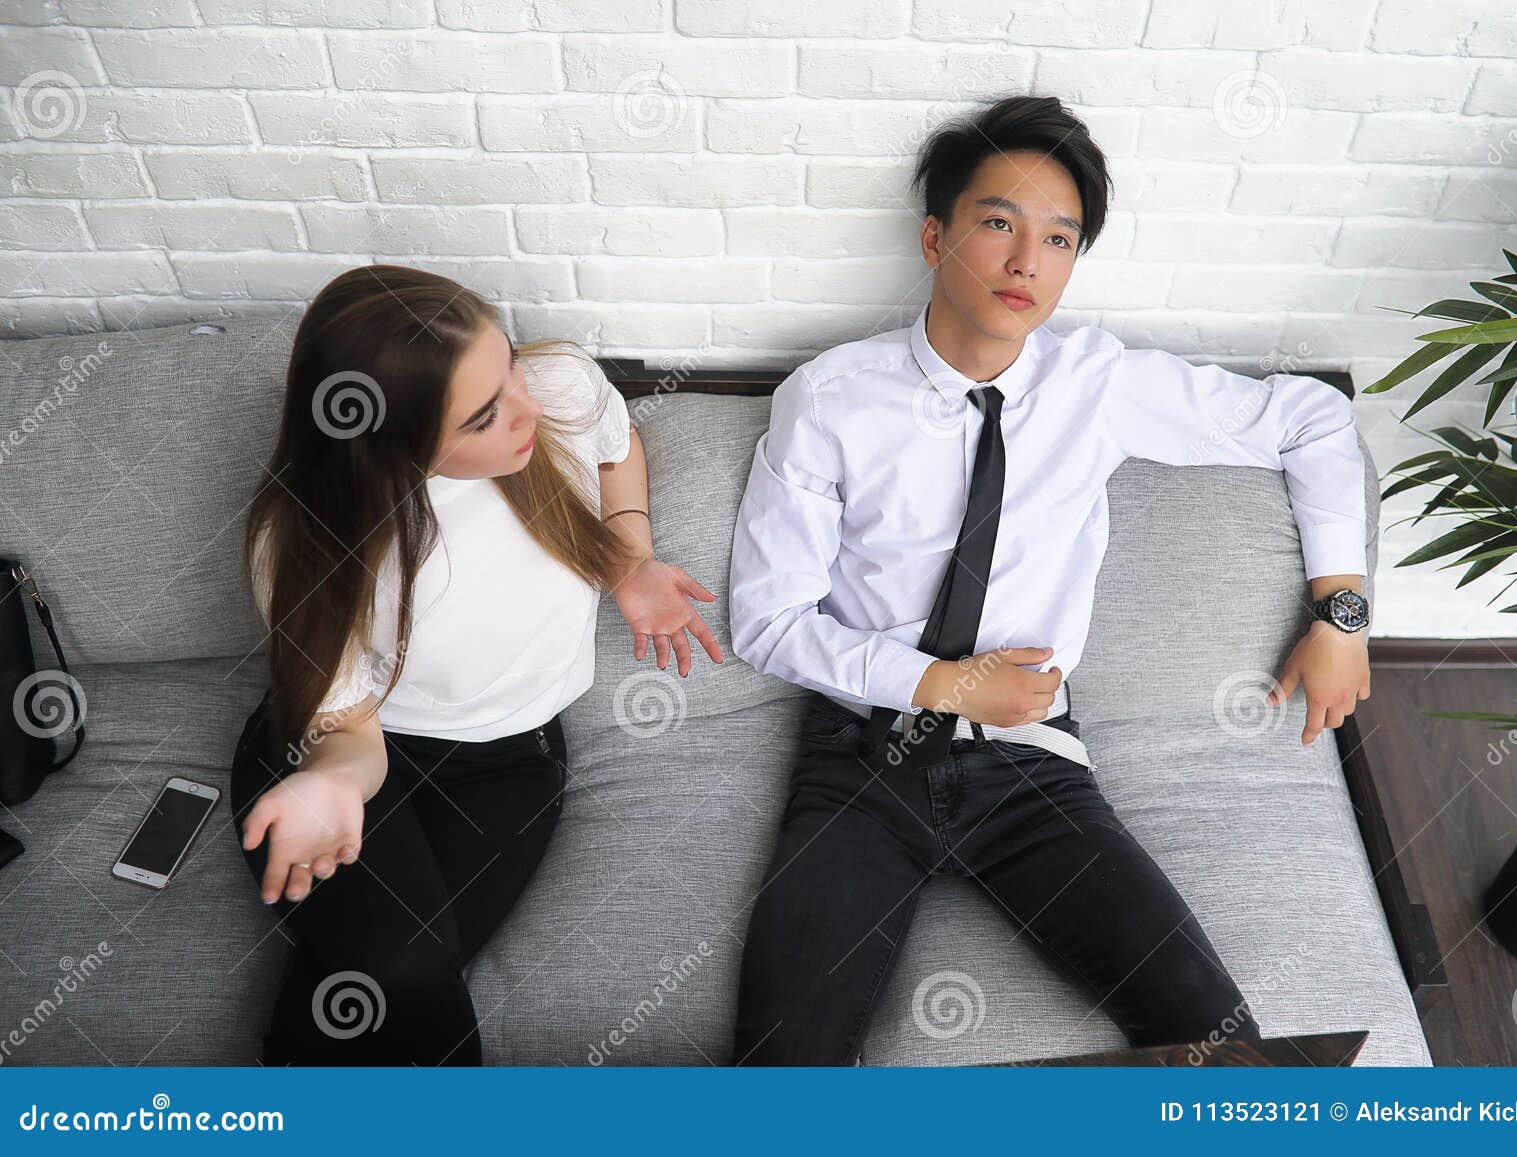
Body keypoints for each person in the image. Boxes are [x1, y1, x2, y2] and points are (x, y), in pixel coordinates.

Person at [727, 95, 1372, 1065]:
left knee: (1218, 1048)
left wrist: (1342, 613)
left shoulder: (1096, 383)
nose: (1027, 260)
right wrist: (942, 684)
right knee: (779, 1075)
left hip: (1029, 766)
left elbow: (1314, 418)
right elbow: (765, 622)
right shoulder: (827, 400)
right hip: (862, 760)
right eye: (998, 223)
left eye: (1059, 238)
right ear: (934, 235)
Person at [231, 264, 724, 1065]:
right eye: (484, 414)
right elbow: (351, 731)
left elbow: (617, 445)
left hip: (507, 764)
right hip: (338, 748)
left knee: (391, 975)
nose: (529, 411)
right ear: (394, 448)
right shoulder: (303, 542)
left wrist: (630, 559)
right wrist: (331, 778)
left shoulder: (558, 389)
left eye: (510, 369)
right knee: (405, 974)